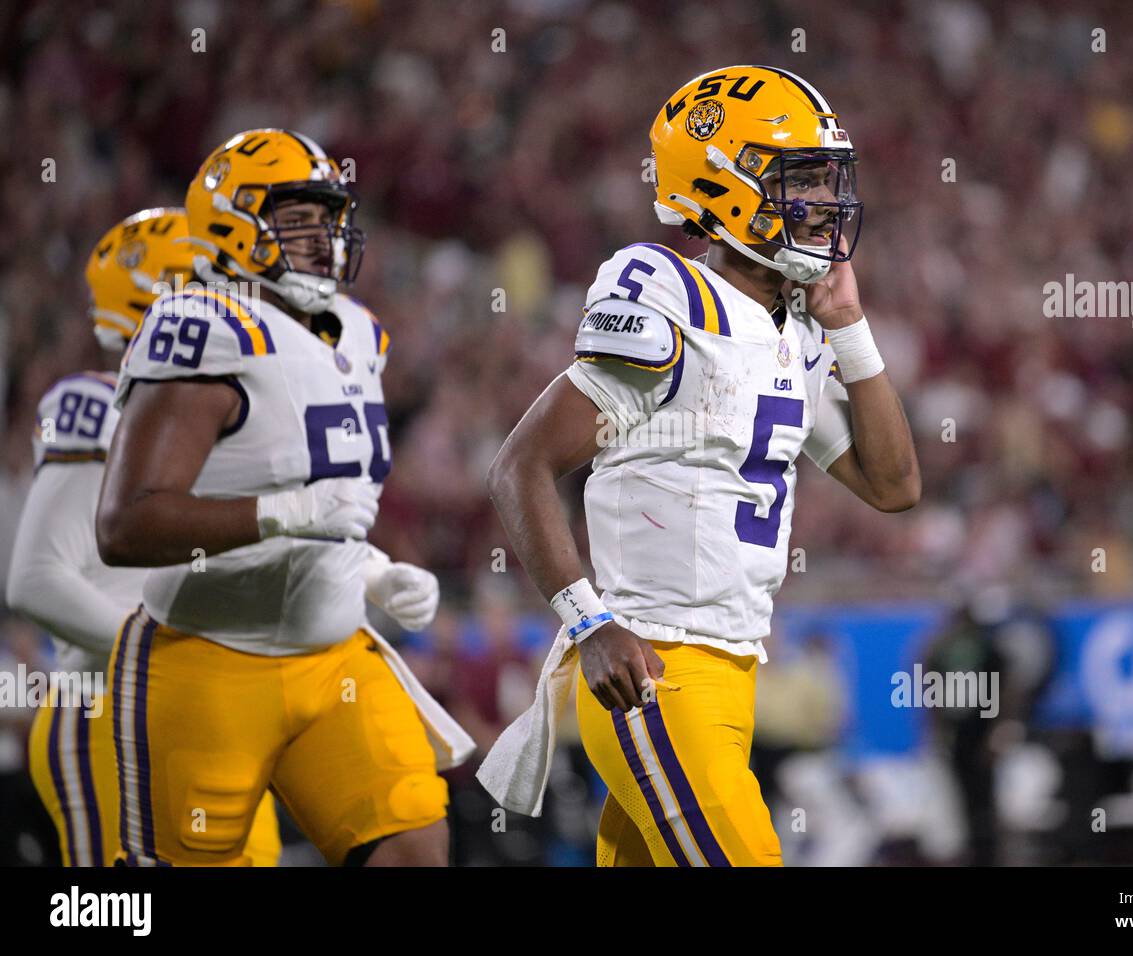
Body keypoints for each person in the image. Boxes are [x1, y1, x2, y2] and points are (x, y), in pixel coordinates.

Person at [481, 67, 919, 866]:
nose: (824, 201)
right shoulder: (670, 299)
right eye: (801, 178)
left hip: (734, 673)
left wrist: (850, 327)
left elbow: (894, 486)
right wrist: (589, 622)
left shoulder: (795, 331)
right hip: (655, 669)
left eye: (828, 178)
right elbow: (522, 465)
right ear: (722, 187)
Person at [96, 130, 465, 866]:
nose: (323, 240)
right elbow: (126, 524)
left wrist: (373, 572)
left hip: (333, 657)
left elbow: (329, 499)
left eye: (329, 221)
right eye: (298, 220)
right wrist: (284, 515)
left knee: (414, 847)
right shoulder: (202, 326)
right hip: (207, 662)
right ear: (233, 223)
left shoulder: (358, 333)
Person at [7, 208, 281, 866]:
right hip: (110, 713)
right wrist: (171, 656)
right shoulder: (99, 405)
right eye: (213, 282)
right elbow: (34, 578)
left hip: (215, 722)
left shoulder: (228, 424)